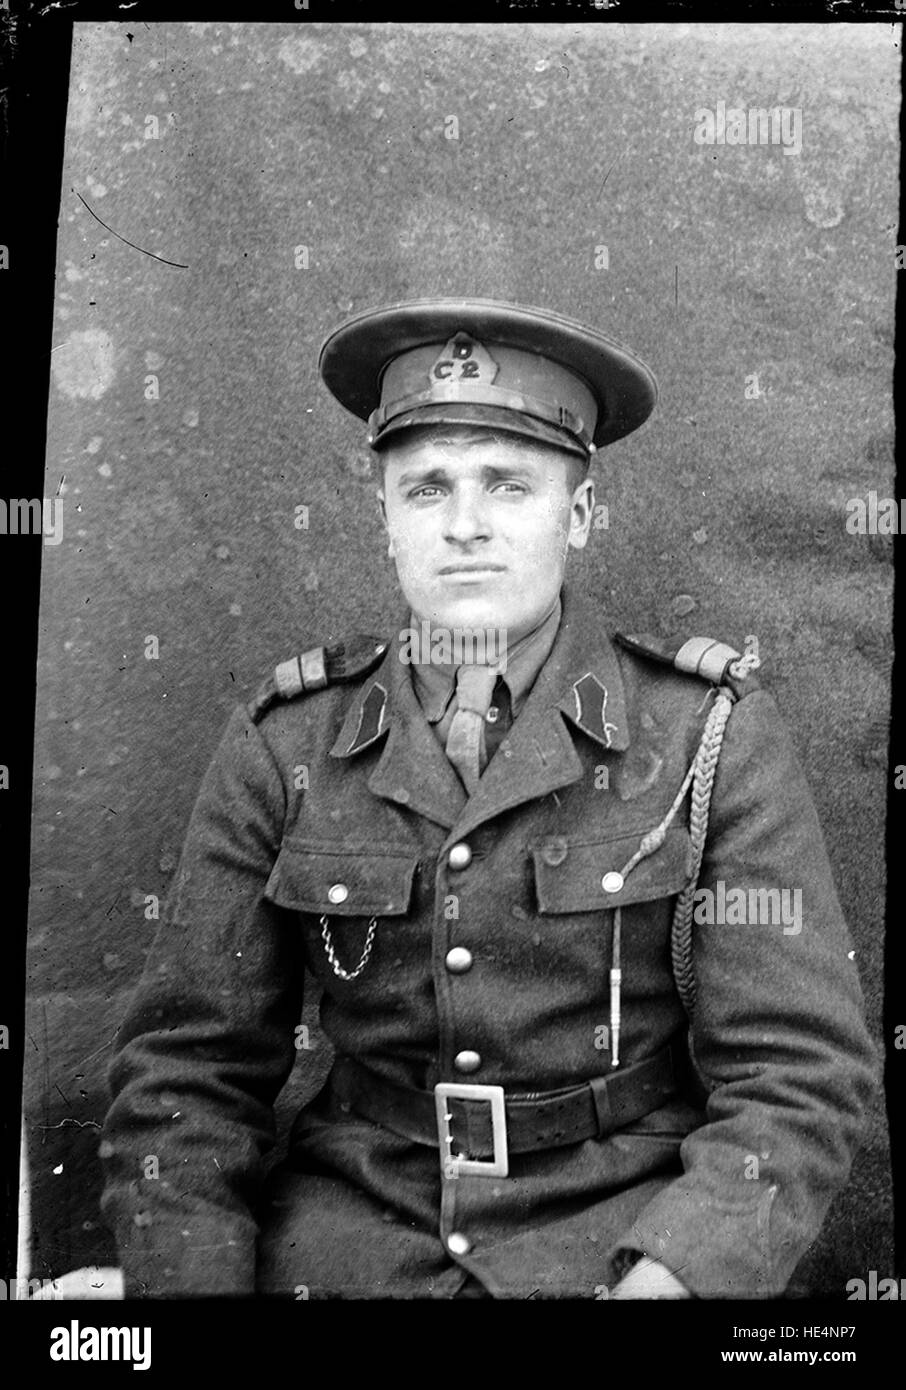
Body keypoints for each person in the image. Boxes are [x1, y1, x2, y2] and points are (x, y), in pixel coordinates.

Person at [98, 298, 878, 1299]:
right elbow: (186, 1077)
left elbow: (797, 1073)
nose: (464, 526)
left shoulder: (706, 732)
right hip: (349, 1238)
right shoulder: (286, 739)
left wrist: (679, 1273)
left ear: (581, 512)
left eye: (508, 484)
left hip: (617, 1229)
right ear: (383, 518)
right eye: (426, 489)